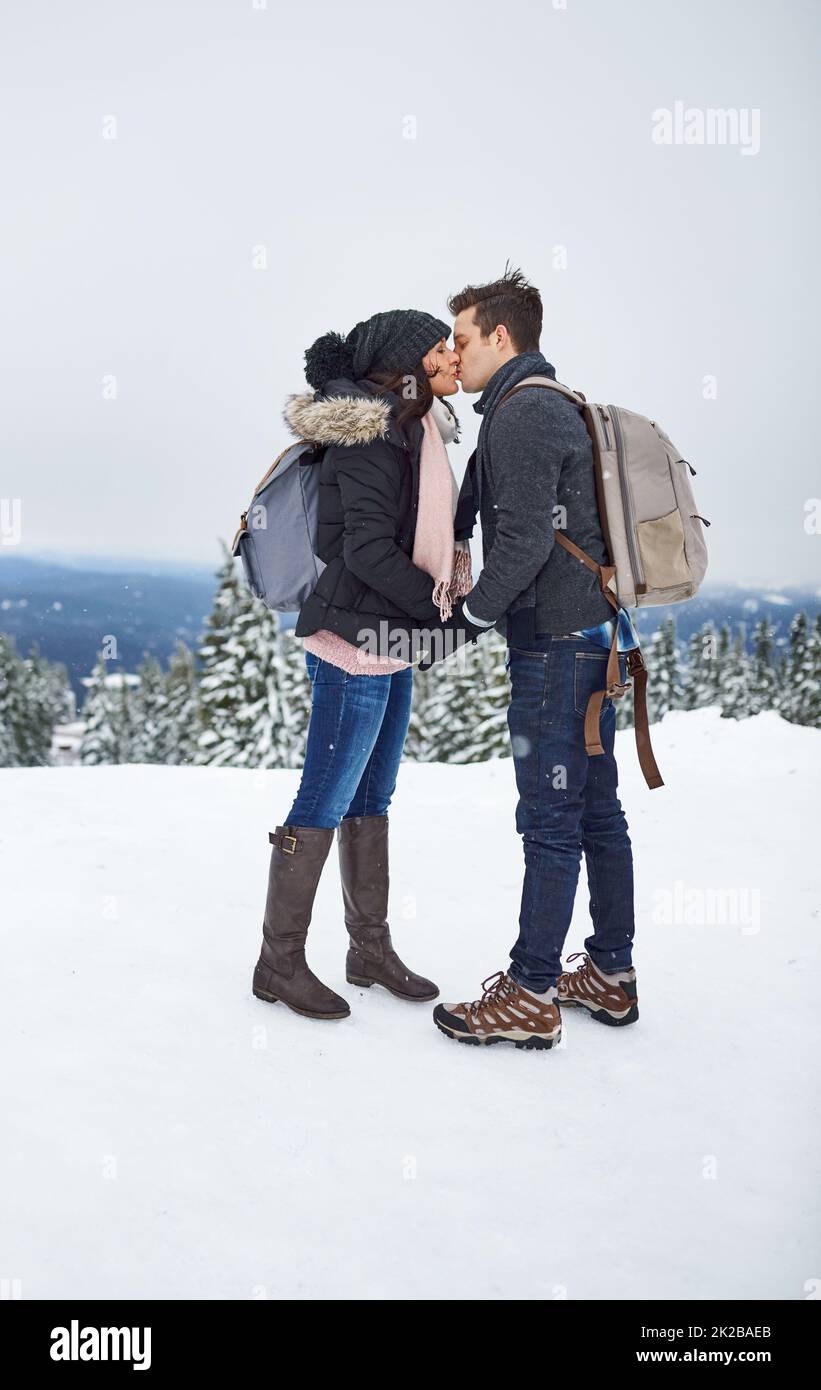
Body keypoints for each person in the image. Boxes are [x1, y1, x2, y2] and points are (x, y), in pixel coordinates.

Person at [432, 268, 640, 1051]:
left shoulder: (520, 416)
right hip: (593, 635)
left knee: (550, 820)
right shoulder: (554, 403)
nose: (454, 354)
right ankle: (610, 976)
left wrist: (468, 622)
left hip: (554, 646)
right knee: (594, 809)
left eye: (461, 339)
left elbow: (519, 543)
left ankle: (529, 992)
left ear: (499, 336)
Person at [252, 309, 469, 1021]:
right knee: (323, 799)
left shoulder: (412, 429)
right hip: (355, 643)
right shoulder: (372, 435)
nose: (450, 357)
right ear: (407, 363)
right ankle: (277, 963)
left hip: (389, 639)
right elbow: (365, 551)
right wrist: (439, 611)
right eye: (439, 348)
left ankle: (367, 949)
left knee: (372, 798)